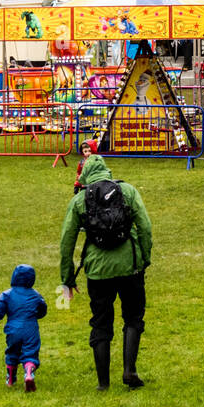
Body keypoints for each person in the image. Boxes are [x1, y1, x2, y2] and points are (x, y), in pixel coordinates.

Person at [58, 154, 153, 390]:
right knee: (133, 316)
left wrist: (67, 278)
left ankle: (103, 383)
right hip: (129, 265)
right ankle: (129, 370)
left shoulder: (80, 200)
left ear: (85, 177)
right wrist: (144, 258)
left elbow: (66, 242)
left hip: (97, 270)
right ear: (107, 172)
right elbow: (145, 227)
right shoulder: (128, 191)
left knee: (100, 322)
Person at [0, 264, 48, 392]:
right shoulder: (36, 295)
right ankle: (29, 374)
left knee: (12, 352)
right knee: (30, 353)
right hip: (31, 329)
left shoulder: (7, 295)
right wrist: (37, 315)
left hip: (13, 329)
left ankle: (10, 379)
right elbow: (43, 308)